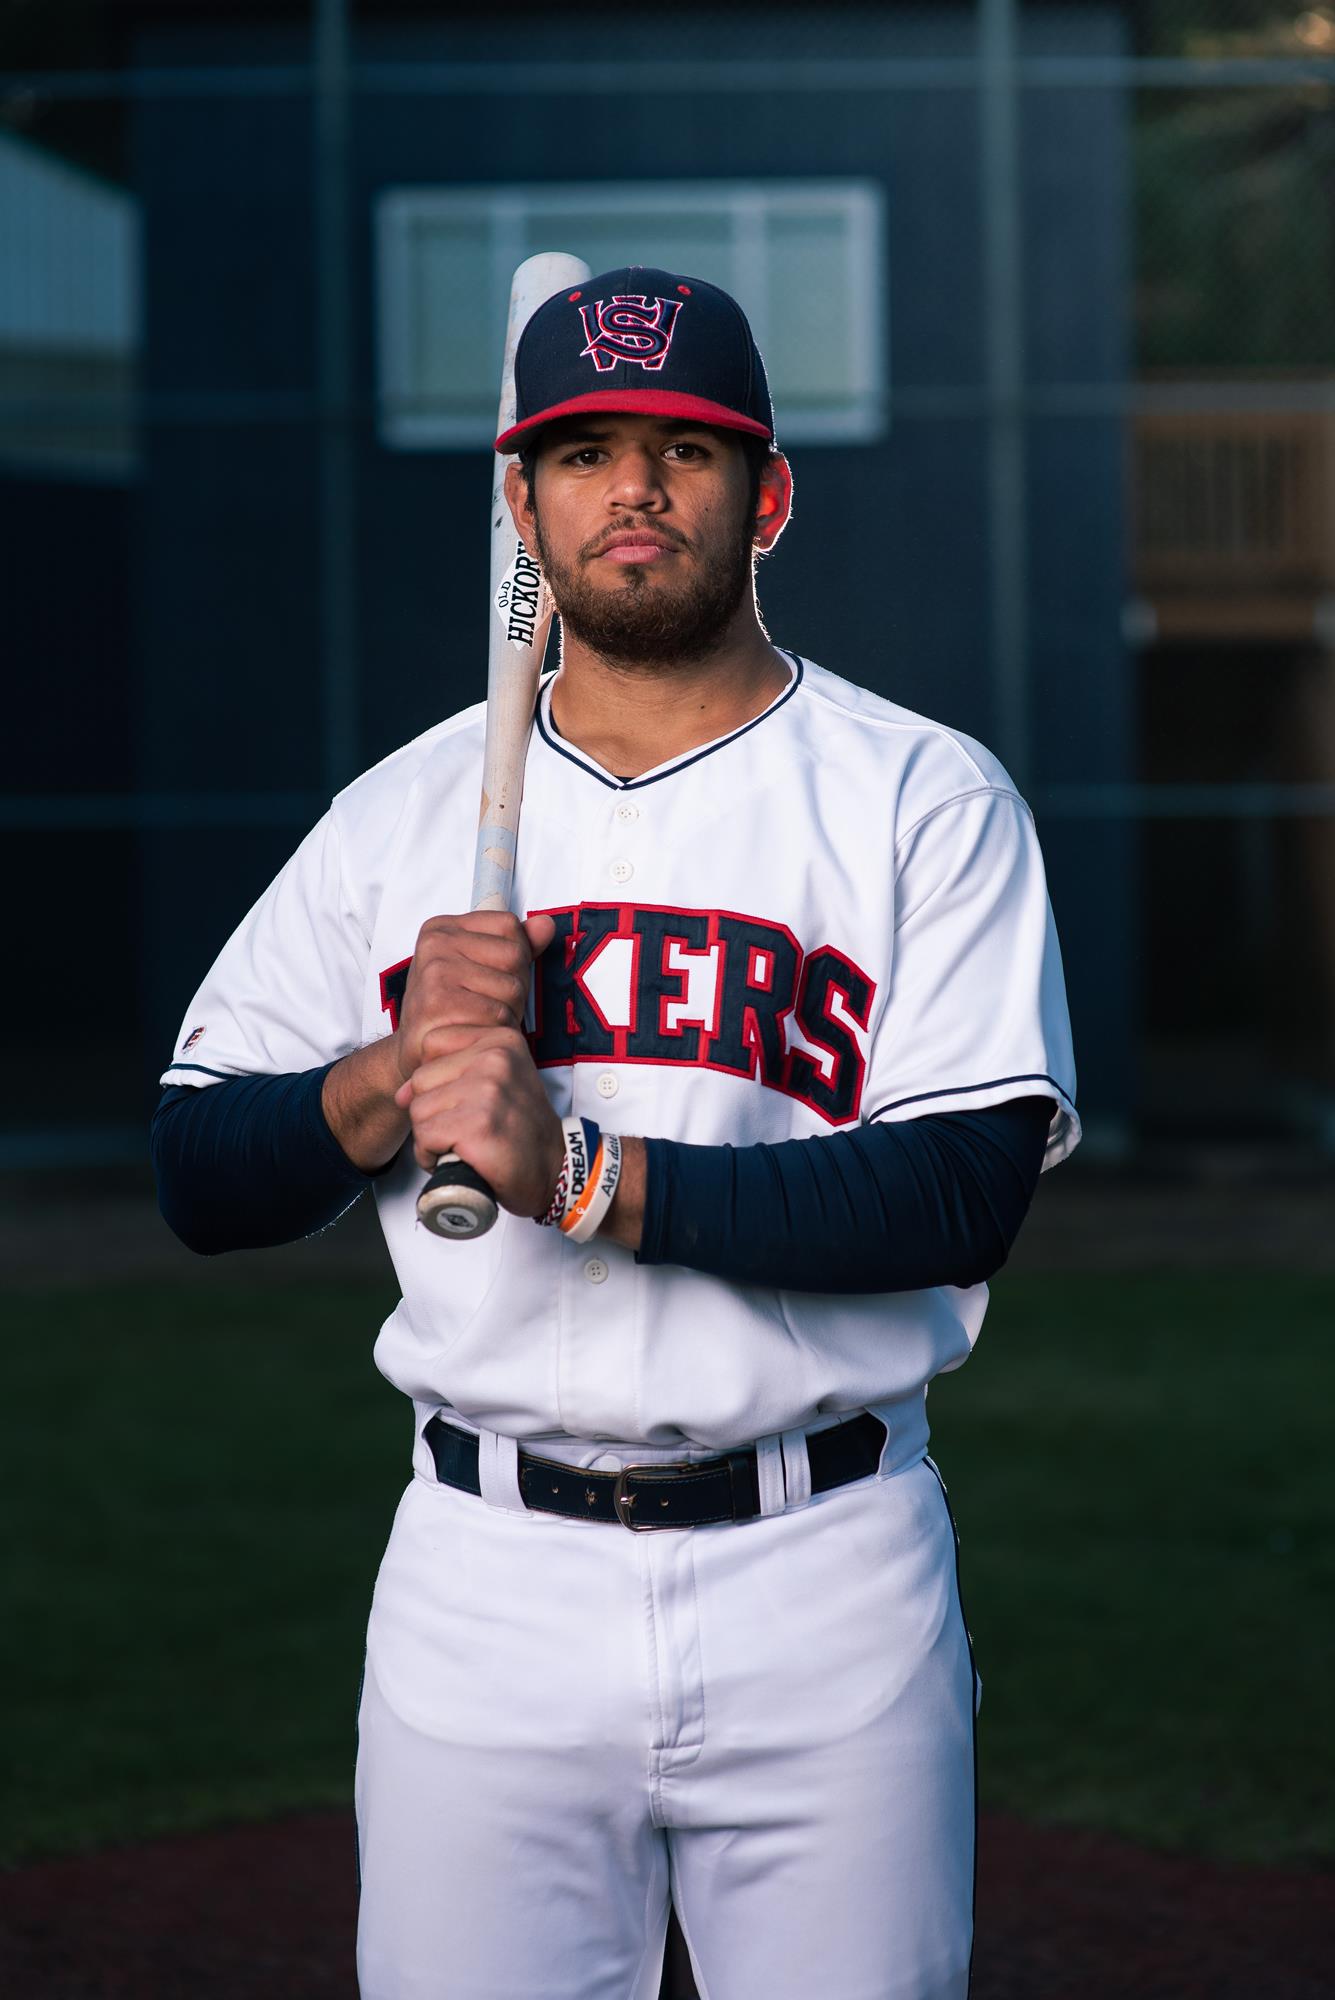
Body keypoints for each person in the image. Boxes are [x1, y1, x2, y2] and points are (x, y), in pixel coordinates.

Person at [154, 267, 1079, 2000]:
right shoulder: (398, 819)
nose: (632, 489)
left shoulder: (916, 797)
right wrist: (386, 1075)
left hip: (825, 1570)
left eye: (685, 451)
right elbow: (198, 1171)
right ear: (523, 502)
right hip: (483, 1579)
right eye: (581, 453)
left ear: (769, 497)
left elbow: (958, 1191)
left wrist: (582, 1175)